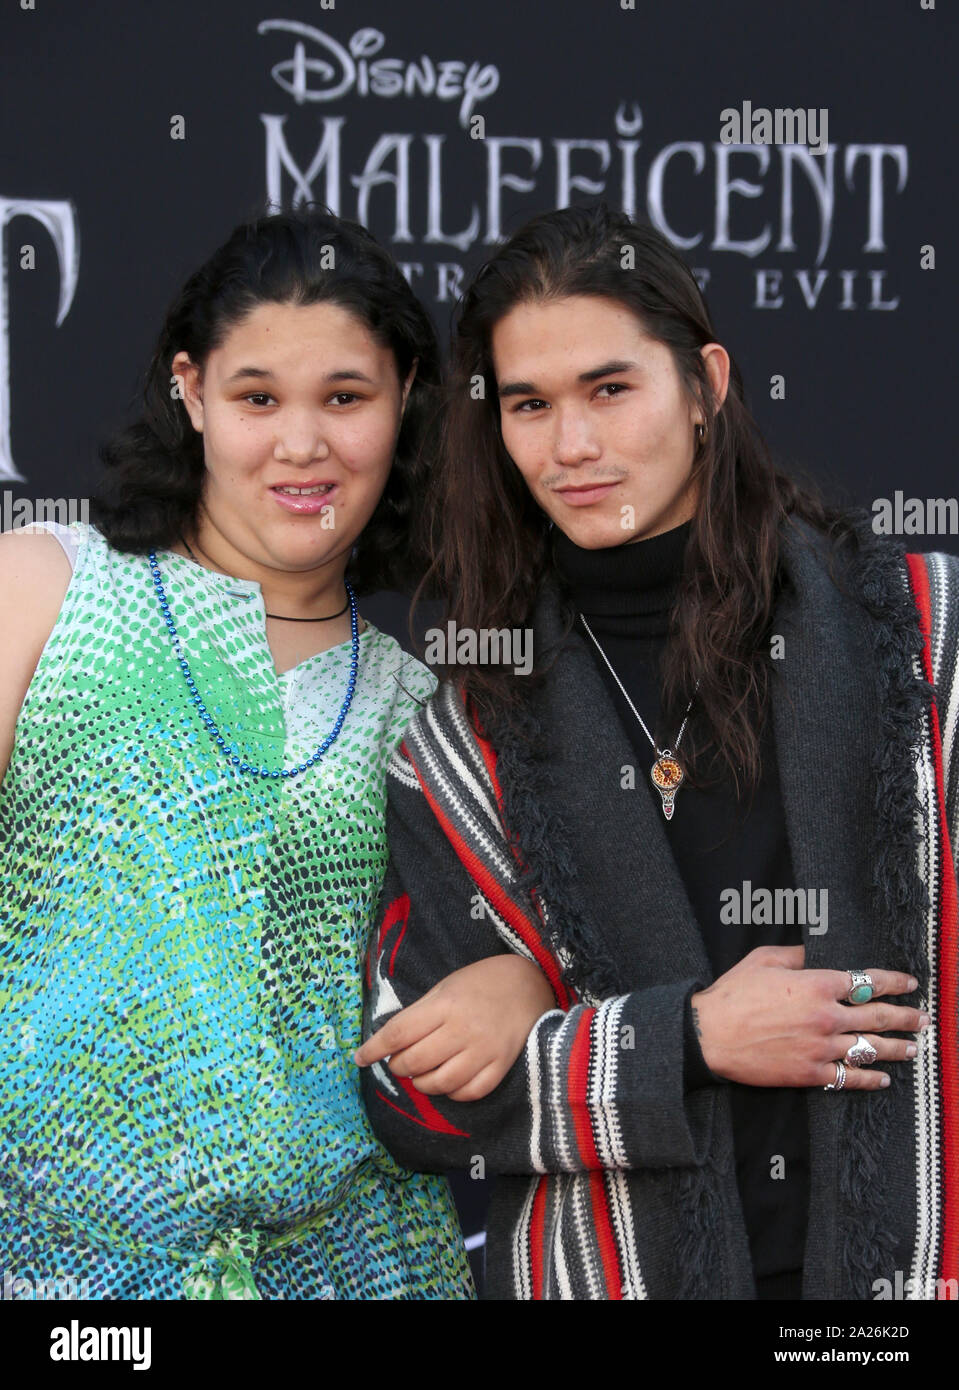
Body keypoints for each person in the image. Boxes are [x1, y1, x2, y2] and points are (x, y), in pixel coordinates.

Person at [355, 203, 958, 1301]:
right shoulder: (459, 740)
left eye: (608, 389)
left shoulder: (925, 636)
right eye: (528, 404)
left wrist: (551, 1014)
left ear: (705, 384)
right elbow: (414, 1098)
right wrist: (678, 1038)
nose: (570, 446)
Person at [0, 206, 489, 1300]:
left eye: (344, 398)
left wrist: (505, 988)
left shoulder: (422, 710)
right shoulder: (44, 588)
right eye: (257, 397)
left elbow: (489, 974)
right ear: (192, 390)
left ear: (406, 396)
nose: (300, 445)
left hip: (359, 1264)